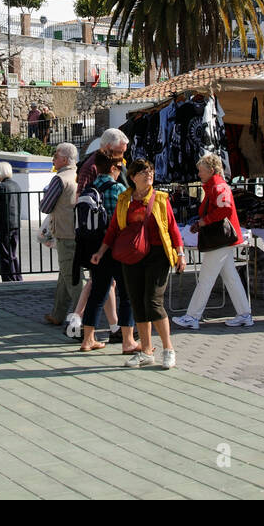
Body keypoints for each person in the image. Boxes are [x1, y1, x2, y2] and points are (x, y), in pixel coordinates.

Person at [90, 159, 185, 369]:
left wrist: (180, 253)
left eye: (150, 171)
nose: (148, 175)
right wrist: (100, 252)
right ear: (132, 177)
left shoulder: (160, 198)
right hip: (132, 255)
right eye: (143, 172)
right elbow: (114, 229)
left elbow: (172, 227)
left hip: (158, 255)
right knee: (138, 303)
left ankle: (168, 349)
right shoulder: (125, 199)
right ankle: (146, 350)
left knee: (153, 301)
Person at [173, 152, 256, 329]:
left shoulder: (217, 187)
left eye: (201, 171)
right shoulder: (217, 186)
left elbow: (223, 210)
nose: (199, 174)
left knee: (206, 279)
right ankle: (244, 314)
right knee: (230, 277)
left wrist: (204, 221)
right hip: (223, 238)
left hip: (219, 239)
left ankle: (192, 317)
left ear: (211, 170)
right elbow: (224, 209)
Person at [78, 159, 138, 353]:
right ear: (113, 168)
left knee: (98, 293)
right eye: (120, 167)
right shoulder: (118, 188)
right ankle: (128, 340)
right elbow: (123, 220)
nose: (122, 171)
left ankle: (88, 339)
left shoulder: (91, 187)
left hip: (95, 248)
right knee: (126, 294)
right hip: (116, 248)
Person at [40, 142, 82, 328]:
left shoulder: (60, 179)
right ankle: (58, 314)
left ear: (64, 159)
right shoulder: (80, 175)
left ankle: (84, 318)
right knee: (65, 275)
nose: (53, 159)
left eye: (56, 156)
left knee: (71, 277)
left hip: (65, 233)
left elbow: (45, 206)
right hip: (79, 232)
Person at [0, 162, 22, 281]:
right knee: (12, 254)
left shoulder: (1, 187)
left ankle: (8, 280)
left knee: (4, 255)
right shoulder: (16, 185)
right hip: (15, 224)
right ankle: (17, 277)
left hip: (3, 225)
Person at [76, 127, 129, 192]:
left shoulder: (117, 161)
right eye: (119, 152)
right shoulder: (90, 167)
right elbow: (81, 196)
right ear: (108, 147)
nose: (122, 156)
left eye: (124, 152)